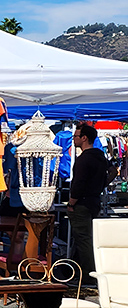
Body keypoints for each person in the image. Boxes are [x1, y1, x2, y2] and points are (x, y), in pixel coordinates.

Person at [67, 122, 108, 285]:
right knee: (85, 238)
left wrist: (71, 202)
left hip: (82, 203)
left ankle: (88, 274)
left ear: (84, 138)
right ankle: (77, 269)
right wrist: (99, 186)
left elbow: (79, 182)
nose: (74, 139)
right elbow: (110, 172)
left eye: (76, 136)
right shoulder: (100, 157)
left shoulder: (85, 159)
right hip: (94, 200)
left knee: (83, 238)